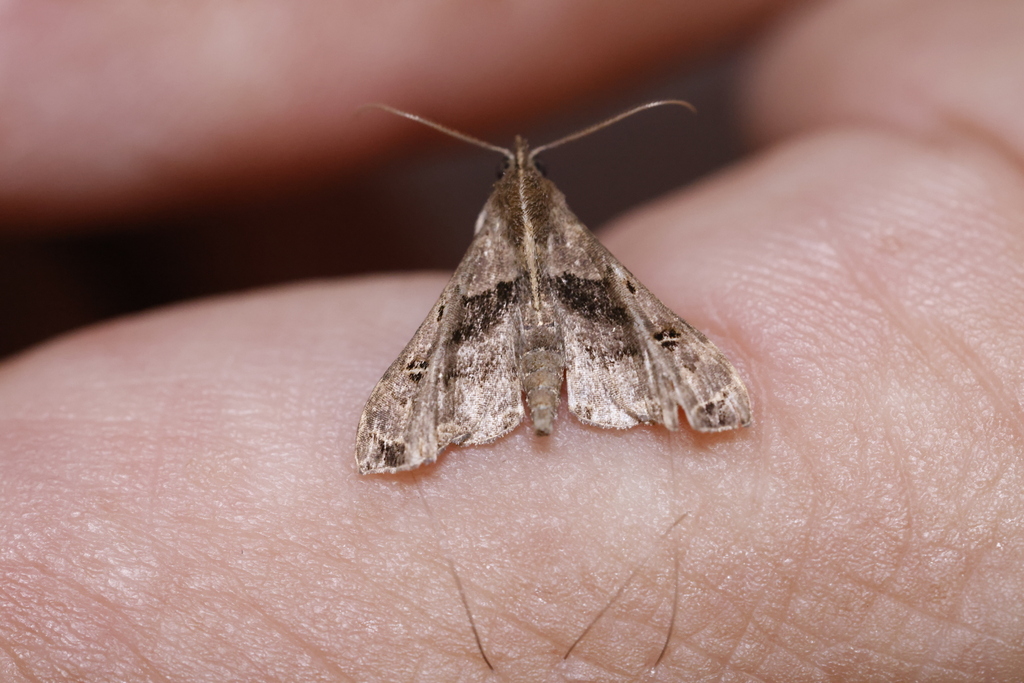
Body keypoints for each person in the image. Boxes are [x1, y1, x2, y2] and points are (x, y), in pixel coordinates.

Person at [1, 0, 1021, 678]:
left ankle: (478, 412)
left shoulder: (504, 218)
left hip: (492, 337)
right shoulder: (555, 227)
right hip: (576, 316)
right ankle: (609, 392)